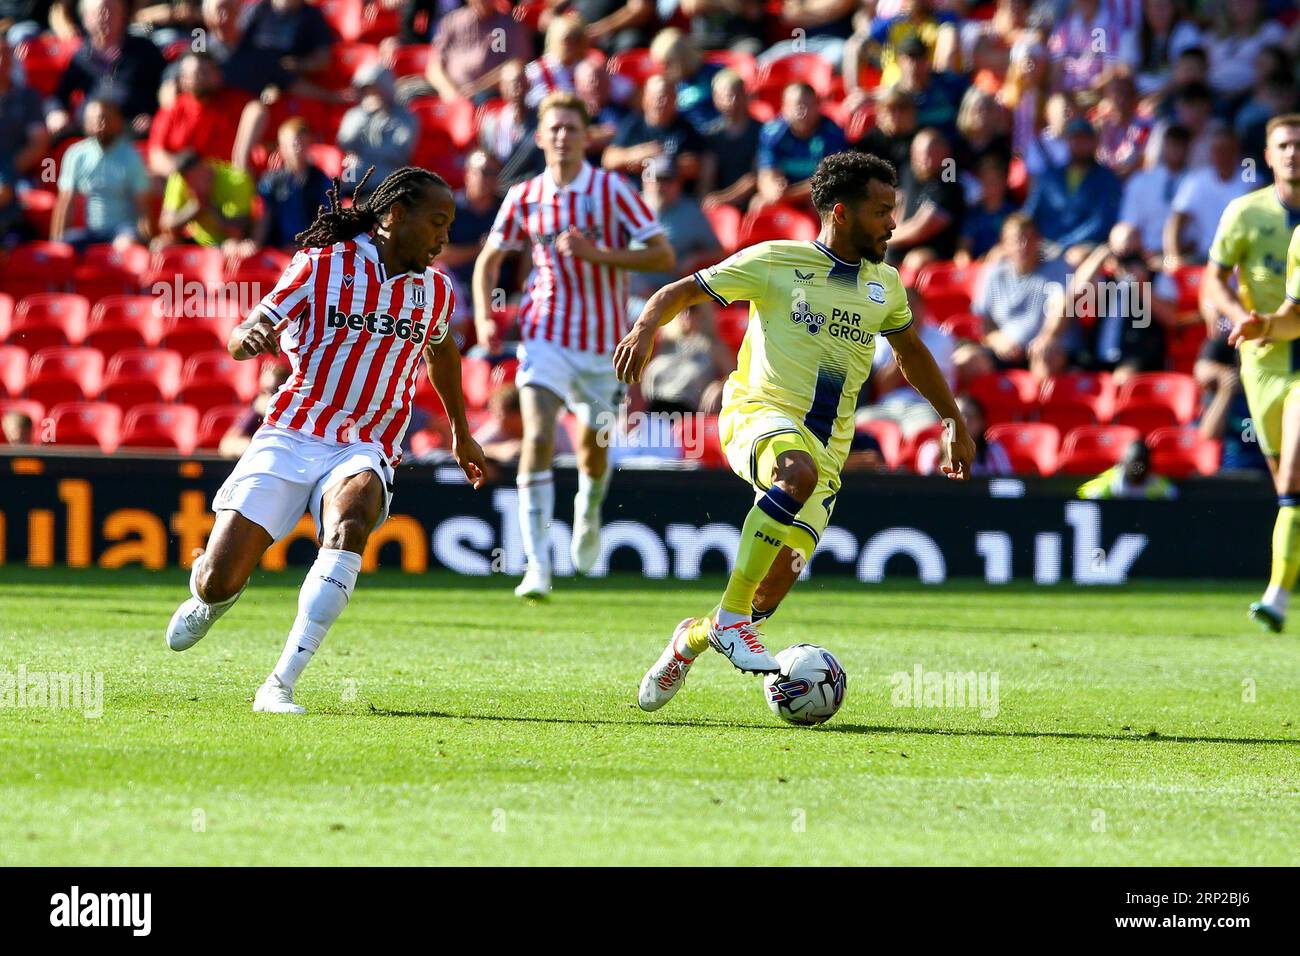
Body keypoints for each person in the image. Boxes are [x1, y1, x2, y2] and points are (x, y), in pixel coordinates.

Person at [615, 150, 975, 709]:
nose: (893, 223)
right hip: (758, 413)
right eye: (881, 211)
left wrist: (952, 417)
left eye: (893, 209)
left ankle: (691, 640)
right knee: (794, 473)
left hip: (828, 454)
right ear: (840, 213)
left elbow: (911, 354)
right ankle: (732, 621)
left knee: (769, 592)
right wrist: (644, 328)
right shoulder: (774, 261)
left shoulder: (886, 285)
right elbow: (681, 291)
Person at [165, 165, 488, 715]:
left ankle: (279, 684)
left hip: (367, 443)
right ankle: (209, 594)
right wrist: (251, 339)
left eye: (449, 225)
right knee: (219, 579)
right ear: (394, 216)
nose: (443, 237)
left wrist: (461, 432)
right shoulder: (321, 266)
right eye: (436, 222)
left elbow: (442, 350)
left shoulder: (434, 290)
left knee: (352, 519)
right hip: (293, 431)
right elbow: (245, 333)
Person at [472, 92, 674, 599]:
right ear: (540, 137)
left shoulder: (611, 190)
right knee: (537, 436)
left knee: (592, 452)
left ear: (586, 137)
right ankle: (537, 565)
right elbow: (488, 261)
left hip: (604, 347)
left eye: (571, 128)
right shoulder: (523, 196)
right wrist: (483, 317)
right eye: (554, 128)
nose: (562, 136)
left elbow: (661, 256)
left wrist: (599, 254)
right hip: (543, 336)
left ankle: (588, 509)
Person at [1212, 114, 1300, 631]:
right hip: (1262, 364)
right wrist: (1243, 320)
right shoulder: (1247, 214)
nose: (1293, 153)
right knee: (1286, 489)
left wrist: (1267, 321)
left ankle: (1277, 596)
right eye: (1284, 145)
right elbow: (1212, 279)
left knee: (1292, 479)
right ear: (1268, 154)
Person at [51, 96, 152, 249]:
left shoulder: (131, 157)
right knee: (65, 248)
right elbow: (65, 202)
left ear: (118, 122)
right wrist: (56, 244)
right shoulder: (76, 154)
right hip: (89, 232)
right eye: (94, 119)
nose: (100, 124)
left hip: (122, 231)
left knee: (127, 246)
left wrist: (146, 240)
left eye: (106, 119)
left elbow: (143, 206)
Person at [1164, 124, 1251, 267]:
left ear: (1236, 150)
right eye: (1217, 150)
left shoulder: (1251, 180)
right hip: (1202, 258)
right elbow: (1176, 221)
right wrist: (1173, 257)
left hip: (1240, 261)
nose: (1222, 155)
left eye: (1226, 149)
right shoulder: (1196, 180)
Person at [753, 82, 848, 213]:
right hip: (785, 194)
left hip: (816, 195)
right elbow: (766, 172)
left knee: (824, 205)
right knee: (759, 205)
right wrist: (772, 189)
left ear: (817, 106)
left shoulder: (832, 134)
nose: (802, 112)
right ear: (784, 108)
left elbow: (830, 180)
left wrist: (789, 194)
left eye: (807, 106)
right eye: (796, 106)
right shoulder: (772, 133)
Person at [253, 118, 332, 251]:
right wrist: (256, 243)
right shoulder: (270, 181)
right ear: (281, 147)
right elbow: (263, 217)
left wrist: (310, 245)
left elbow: (327, 219)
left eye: (303, 143)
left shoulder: (321, 180)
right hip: (277, 248)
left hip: (311, 249)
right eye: (293, 144)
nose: (298, 149)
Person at [158, 150, 255, 252]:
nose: (195, 184)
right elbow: (166, 226)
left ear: (204, 167)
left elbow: (236, 233)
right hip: (194, 242)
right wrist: (194, 208)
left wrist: (210, 206)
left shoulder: (236, 181)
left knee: (232, 246)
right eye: (190, 180)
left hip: (225, 244)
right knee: (162, 246)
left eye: (198, 176)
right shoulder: (178, 180)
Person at [218, 361, 291, 457]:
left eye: (275, 392)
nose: (268, 398)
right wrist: (257, 447)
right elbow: (226, 444)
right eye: (264, 392)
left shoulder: (297, 414)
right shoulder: (257, 411)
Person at [1076, 439, 1177, 499]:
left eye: (1142, 463)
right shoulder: (1108, 485)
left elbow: (1174, 497)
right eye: (1134, 462)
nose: (1138, 468)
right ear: (1124, 462)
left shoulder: (1160, 486)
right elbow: (1083, 496)